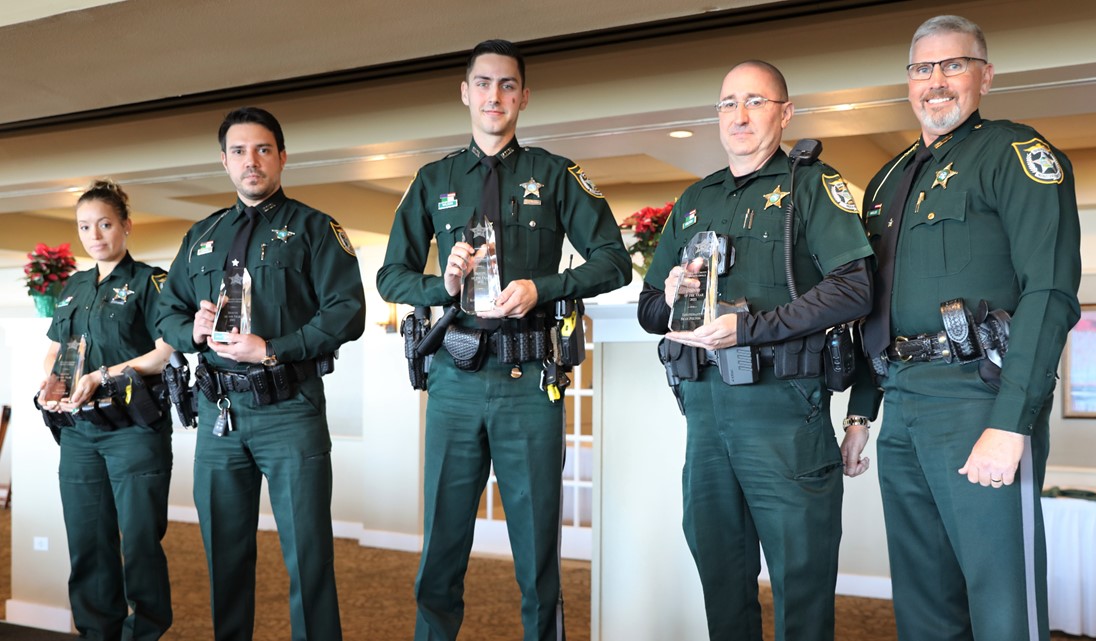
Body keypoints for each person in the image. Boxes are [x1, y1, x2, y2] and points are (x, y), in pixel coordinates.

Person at [377, 39, 631, 641]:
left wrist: (542, 287)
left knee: (537, 548)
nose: (495, 96)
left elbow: (614, 262)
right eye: (484, 84)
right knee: (441, 546)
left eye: (508, 85)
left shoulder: (555, 173)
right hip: (454, 381)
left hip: (529, 385)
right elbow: (390, 276)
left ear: (524, 95)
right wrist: (443, 283)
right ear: (465, 93)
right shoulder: (432, 179)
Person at [843, 15, 1082, 641]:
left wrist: (1011, 422)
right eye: (923, 68)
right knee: (924, 602)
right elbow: (876, 303)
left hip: (981, 395)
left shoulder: (1015, 153)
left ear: (985, 75)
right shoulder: (886, 180)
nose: (936, 81)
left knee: (1003, 602)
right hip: (905, 403)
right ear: (909, 81)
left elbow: (1050, 293)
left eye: (954, 65)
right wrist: (863, 413)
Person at [637, 61, 873, 641]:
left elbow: (855, 287)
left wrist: (751, 329)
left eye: (756, 102)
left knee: (801, 580)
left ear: (785, 113)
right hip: (705, 412)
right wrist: (669, 300)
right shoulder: (695, 199)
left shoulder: (811, 185)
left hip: (784, 410)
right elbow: (647, 310)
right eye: (727, 103)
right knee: (720, 572)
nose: (739, 116)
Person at [155, 106, 366, 641]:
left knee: (308, 555)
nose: (252, 161)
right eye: (240, 151)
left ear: (282, 157)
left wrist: (274, 348)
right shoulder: (201, 235)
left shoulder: (316, 229)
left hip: (288, 408)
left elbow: (348, 312)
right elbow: (166, 313)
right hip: (217, 412)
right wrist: (195, 331)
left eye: (263, 150)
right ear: (224, 161)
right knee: (224, 557)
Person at [37, 179, 174, 640]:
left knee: (138, 543)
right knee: (88, 543)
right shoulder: (74, 285)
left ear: (126, 226)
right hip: (79, 433)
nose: (94, 235)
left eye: (104, 224)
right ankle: (98, 633)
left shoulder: (151, 281)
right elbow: (58, 348)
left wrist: (105, 374)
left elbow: (163, 352)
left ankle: (146, 633)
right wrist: (49, 384)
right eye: (84, 226)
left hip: (133, 430)